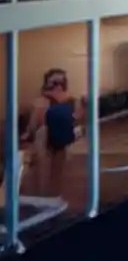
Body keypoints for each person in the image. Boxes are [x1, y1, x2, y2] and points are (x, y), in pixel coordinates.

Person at [23, 69, 81, 198]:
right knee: (50, 169)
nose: (58, 85)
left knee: (50, 169)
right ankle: (49, 195)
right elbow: (76, 119)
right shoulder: (65, 100)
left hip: (53, 136)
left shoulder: (48, 101)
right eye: (56, 82)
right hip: (52, 137)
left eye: (61, 81)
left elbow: (35, 122)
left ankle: (49, 195)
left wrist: (28, 133)